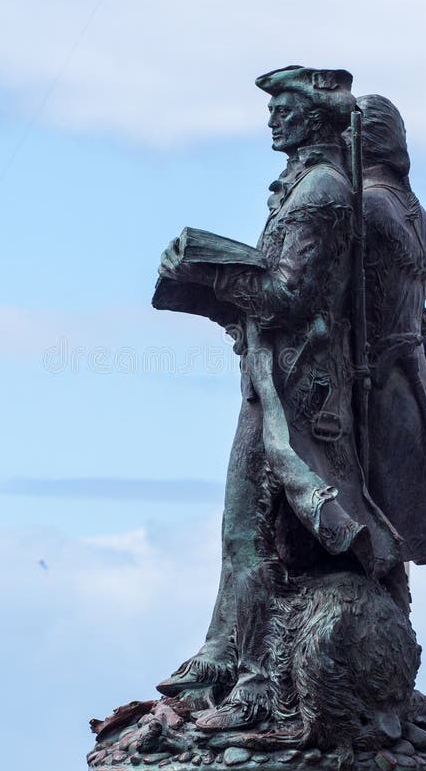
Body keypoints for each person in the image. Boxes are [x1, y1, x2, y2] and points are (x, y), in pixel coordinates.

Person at [155, 67, 401, 728]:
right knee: (250, 530)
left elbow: (292, 297)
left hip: (294, 389)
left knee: (253, 528)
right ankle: (226, 658)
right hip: (279, 379)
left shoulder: (320, 191)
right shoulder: (304, 187)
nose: (273, 119)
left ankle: (256, 686)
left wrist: (207, 271)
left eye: (285, 107)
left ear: (315, 119)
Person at [358, 95, 426, 610]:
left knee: (376, 498)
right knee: (396, 493)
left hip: (379, 372)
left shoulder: (370, 204)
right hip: (416, 369)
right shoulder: (413, 209)